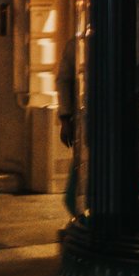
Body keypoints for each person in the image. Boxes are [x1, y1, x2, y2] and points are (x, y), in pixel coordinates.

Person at [56, 35, 76, 222]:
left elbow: (63, 80)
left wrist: (65, 118)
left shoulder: (75, 44)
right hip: (85, 118)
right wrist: (65, 118)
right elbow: (63, 80)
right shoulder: (76, 44)